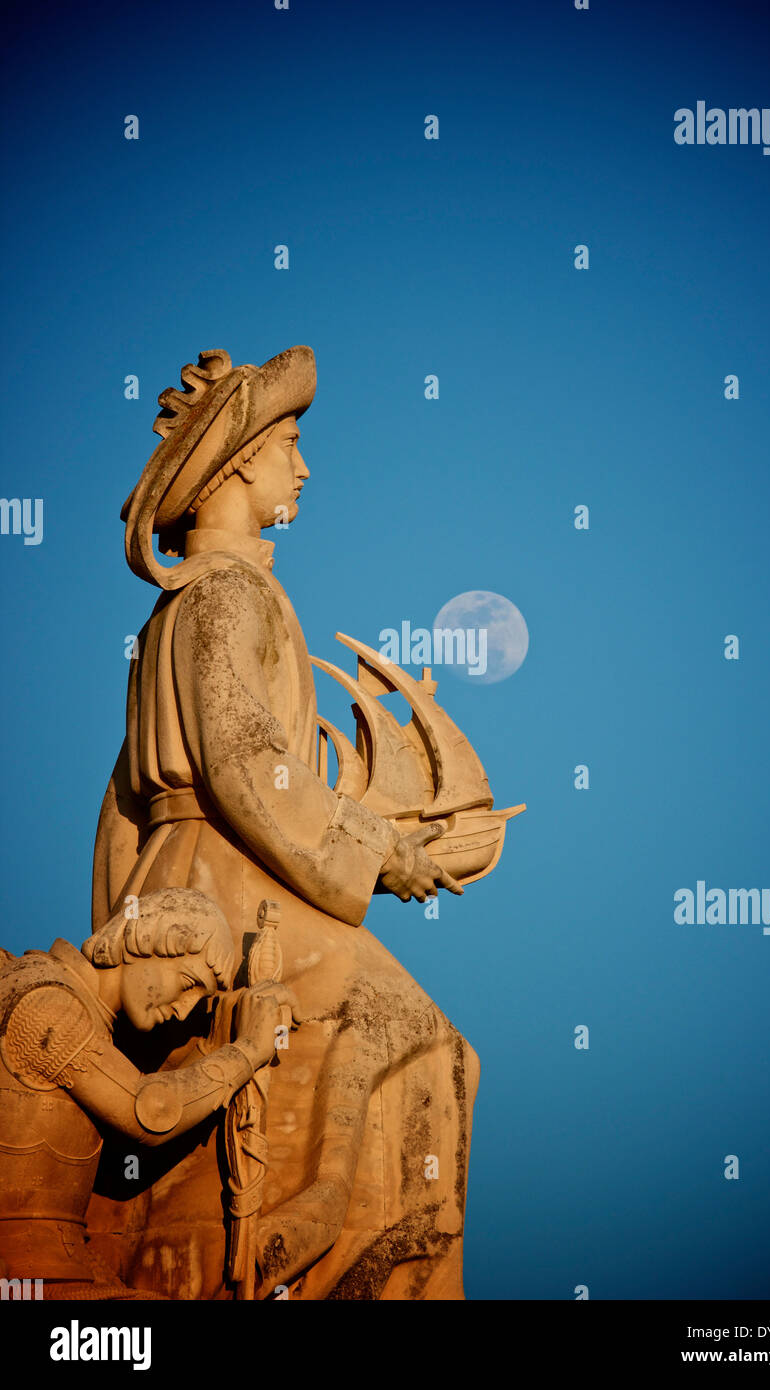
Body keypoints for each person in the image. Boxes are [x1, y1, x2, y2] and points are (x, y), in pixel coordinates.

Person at [90, 347, 480, 1300]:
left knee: (421, 1036)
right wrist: (381, 851)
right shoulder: (225, 593)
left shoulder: (184, 607)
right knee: (410, 1031)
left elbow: (128, 804)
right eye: (290, 444)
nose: (302, 468)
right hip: (227, 878)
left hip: (199, 869)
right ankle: (323, 1261)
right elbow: (245, 771)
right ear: (236, 461)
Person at [0, 887, 294, 1299]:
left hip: (65, 1272)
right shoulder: (42, 998)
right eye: (189, 983)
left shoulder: (84, 1015)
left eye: (201, 1000)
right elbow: (148, 1113)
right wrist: (248, 1050)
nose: (185, 1010)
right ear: (149, 941)